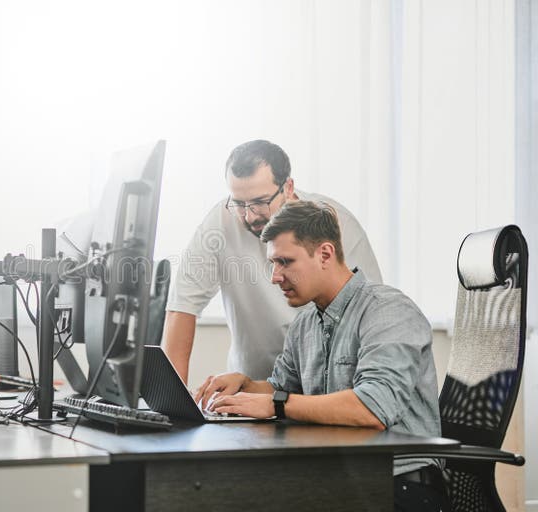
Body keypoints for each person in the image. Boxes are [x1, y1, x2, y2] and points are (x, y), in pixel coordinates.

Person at [194, 200, 447, 512]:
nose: (275, 276)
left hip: (399, 485)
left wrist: (275, 403)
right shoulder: (306, 321)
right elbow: (282, 387)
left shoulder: (388, 311)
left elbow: (373, 408)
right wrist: (245, 385)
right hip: (343, 476)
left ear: (325, 254)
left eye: (285, 262)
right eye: (273, 263)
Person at [163, 140, 382, 384]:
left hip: (322, 390)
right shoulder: (220, 223)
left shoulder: (336, 224)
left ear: (288, 187)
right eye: (239, 203)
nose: (249, 215)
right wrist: (173, 401)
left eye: (259, 202)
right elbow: (183, 304)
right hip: (250, 387)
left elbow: (370, 313)